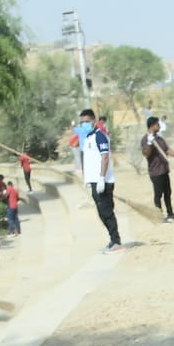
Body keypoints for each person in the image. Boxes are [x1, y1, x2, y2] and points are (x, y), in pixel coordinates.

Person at [78, 108, 123, 253]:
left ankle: (116, 241)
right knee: (101, 213)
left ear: (94, 121)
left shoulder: (100, 136)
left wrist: (102, 178)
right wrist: (87, 179)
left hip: (103, 181)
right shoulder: (88, 138)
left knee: (107, 211)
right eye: (82, 122)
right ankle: (112, 240)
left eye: (87, 121)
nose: (84, 124)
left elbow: (105, 157)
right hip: (93, 182)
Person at [141, 117, 174, 223]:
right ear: (152, 126)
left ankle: (170, 213)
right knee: (158, 194)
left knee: (167, 192)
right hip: (156, 172)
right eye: (157, 124)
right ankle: (159, 215)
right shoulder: (146, 139)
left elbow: (167, 149)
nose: (159, 126)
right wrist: (150, 144)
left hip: (164, 170)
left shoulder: (159, 139)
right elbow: (146, 154)